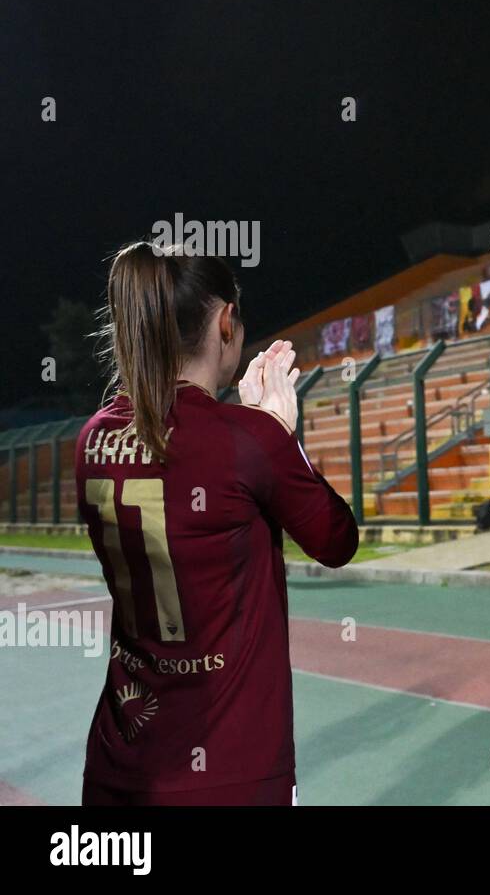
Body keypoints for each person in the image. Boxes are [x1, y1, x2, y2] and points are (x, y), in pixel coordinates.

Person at [77, 243, 358, 806]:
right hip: (231, 772)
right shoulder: (248, 439)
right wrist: (279, 431)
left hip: (119, 764)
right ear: (226, 322)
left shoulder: (92, 439)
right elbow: (336, 540)